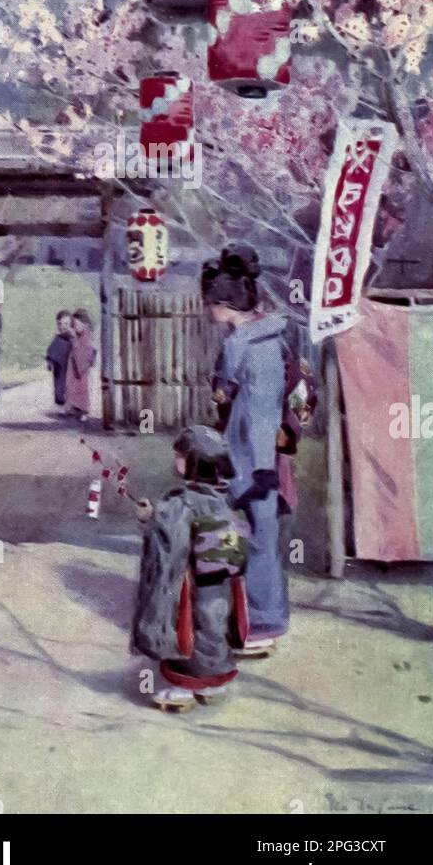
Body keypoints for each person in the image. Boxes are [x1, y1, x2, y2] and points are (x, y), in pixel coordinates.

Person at [201, 244, 290, 658]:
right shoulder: (268, 337)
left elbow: (238, 403)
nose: (207, 312)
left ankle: (257, 623)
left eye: (209, 304)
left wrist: (255, 470)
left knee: (249, 539)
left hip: (252, 458)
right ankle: (261, 617)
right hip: (262, 452)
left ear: (223, 304)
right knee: (260, 538)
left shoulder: (240, 345)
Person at [132, 424, 249, 712]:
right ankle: (215, 682)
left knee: (187, 623)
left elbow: (169, 528)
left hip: (192, 578)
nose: (177, 461)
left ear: (198, 461)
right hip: (220, 579)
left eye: (182, 456)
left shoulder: (183, 501)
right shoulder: (220, 498)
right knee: (215, 622)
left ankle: (184, 688)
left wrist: (151, 516)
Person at [64, 309, 96, 421]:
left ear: (84, 323)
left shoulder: (86, 335)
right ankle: (74, 407)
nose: (75, 326)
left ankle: (83, 410)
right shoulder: (77, 334)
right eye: (74, 323)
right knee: (71, 385)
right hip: (74, 364)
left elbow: (85, 351)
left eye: (76, 323)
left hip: (82, 365)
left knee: (83, 386)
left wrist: (74, 339)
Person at [46, 311, 73, 411]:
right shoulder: (57, 338)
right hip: (59, 368)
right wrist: (49, 361)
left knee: (71, 384)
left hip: (70, 366)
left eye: (66, 324)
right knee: (59, 385)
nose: (63, 327)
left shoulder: (73, 338)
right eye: (60, 324)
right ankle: (62, 403)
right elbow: (51, 350)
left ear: (71, 324)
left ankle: (72, 405)